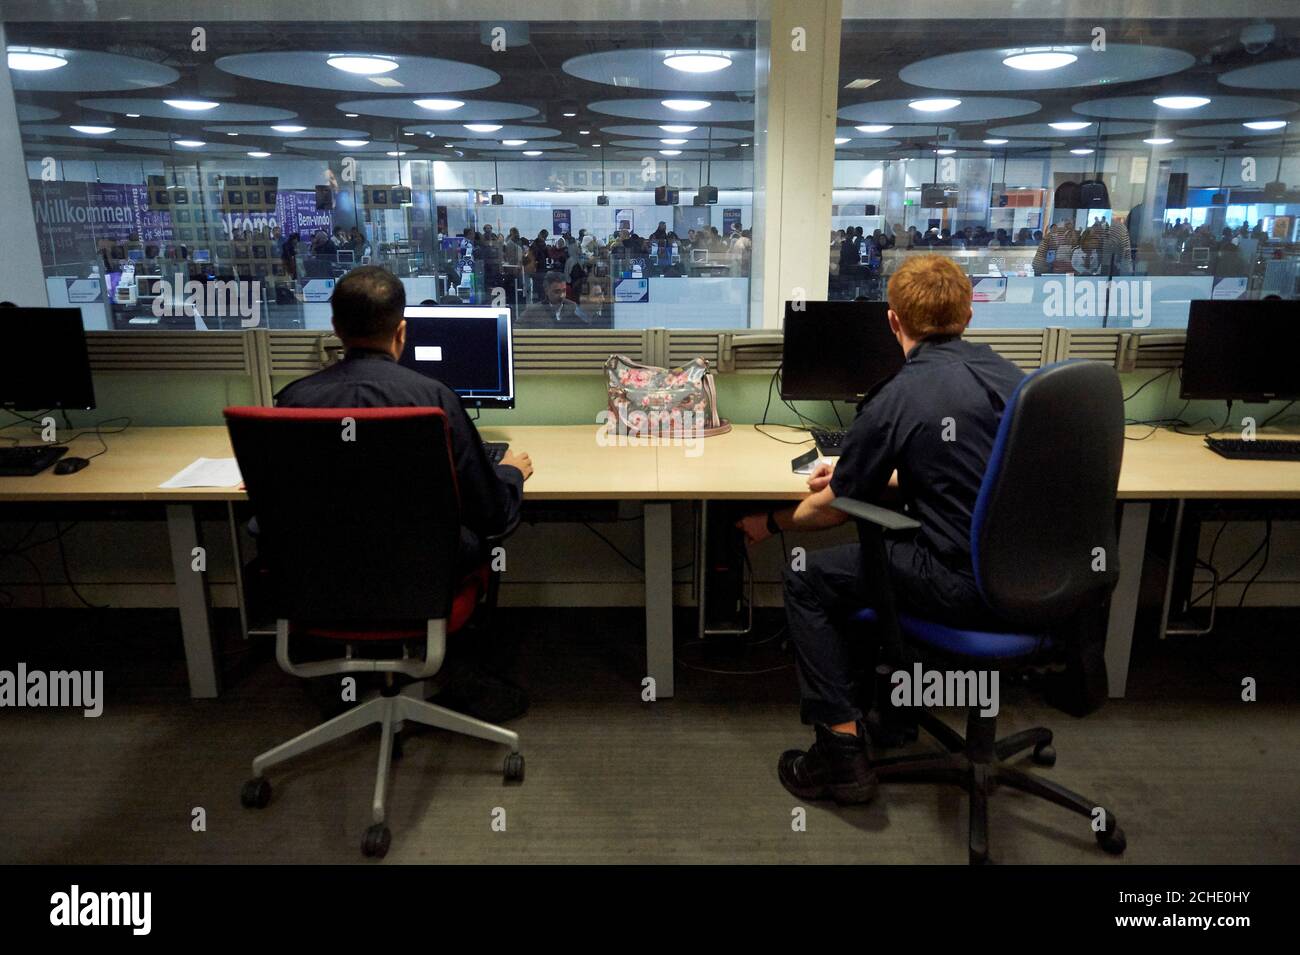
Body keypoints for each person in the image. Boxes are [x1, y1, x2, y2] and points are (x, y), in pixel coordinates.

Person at [736, 254, 1025, 805]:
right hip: (1031, 580)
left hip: (958, 582)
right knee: (868, 562)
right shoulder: (1014, 379)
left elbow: (835, 511)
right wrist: (866, 474)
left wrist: (770, 523)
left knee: (808, 579)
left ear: (893, 321)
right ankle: (891, 717)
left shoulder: (897, 397)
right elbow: (974, 474)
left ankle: (841, 755)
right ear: (969, 315)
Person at [275, 266, 534, 720]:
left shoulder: (293, 401)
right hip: (423, 575)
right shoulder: (432, 399)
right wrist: (510, 473)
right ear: (402, 331)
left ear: (336, 329)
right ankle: (461, 672)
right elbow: (492, 514)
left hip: (321, 579)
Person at [517, 271, 592, 327]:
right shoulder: (533, 311)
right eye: (557, 292)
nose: (562, 295)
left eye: (564, 291)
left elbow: (587, 325)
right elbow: (517, 328)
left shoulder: (572, 307)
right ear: (546, 290)